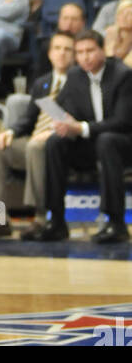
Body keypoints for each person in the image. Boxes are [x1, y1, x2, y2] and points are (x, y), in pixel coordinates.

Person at [0, 31, 75, 240]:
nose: (62, 54)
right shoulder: (42, 83)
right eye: (57, 48)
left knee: (35, 147)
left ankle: (40, 219)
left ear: (74, 55)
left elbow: (79, 116)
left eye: (68, 49)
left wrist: (50, 133)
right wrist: (9, 132)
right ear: (49, 54)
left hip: (61, 143)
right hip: (35, 140)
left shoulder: (79, 81)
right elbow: (28, 120)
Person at [37, 30, 132, 243]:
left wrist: (80, 128)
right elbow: (61, 107)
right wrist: (63, 122)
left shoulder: (122, 75)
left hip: (123, 143)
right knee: (55, 143)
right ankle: (56, 221)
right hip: (92, 143)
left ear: (102, 51)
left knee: (107, 140)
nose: (85, 57)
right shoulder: (75, 76)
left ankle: (115, 222)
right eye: (79, 52)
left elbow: (123, 121)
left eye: (90, 51)